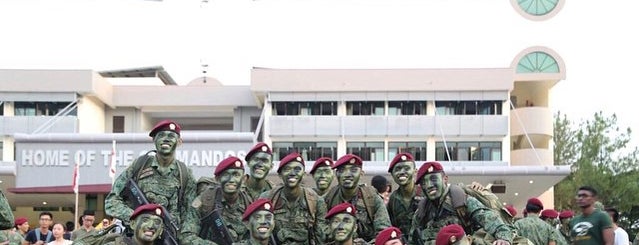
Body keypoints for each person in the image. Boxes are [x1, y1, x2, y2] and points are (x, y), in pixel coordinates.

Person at [105, 120, 212, 244]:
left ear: (179, 142)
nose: (166, 139)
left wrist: (185, 237)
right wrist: (138, 218)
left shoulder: (185, 174)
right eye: (161, 135)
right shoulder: (139, 166)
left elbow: (190, 215)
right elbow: (111, 202)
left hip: (169, 237)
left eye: (171, 136)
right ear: (154, 140)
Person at [409, 161, 514, 245]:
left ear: (445, 179)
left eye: (433, 179)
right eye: (423, 183)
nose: (429, 185)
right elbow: (412, 240)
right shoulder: (421, 212)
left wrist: (503, 238)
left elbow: (489, 218)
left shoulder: (460, 200)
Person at [259, 152, 328, 245]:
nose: (292, 173)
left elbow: (320, 237)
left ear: (303, 174)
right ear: (280, 174)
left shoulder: (315, 201)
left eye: (297, 169)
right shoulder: (267, 198)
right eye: (287, 169)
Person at [324, 154, 391, 243]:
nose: (347, 175)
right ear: (336, 174)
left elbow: (383, 232)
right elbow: (322, 231)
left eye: (353, 170)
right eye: (342, 170)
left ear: (361, 173)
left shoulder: (371, 198)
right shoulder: (329, 199)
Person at [193, 156, 253, 243]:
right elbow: (186, 235)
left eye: (236, 175)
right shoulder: (205, 201)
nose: (231, 180)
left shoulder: (249, 205)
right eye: (226, 175)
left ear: (243, 179)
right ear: (217, 179)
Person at [386, 153, 421, 242]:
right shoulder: (393, 199)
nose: (402, 172)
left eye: (407, 168)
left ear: (415, 171)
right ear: (392, 174)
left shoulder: (425, 194)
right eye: (397, 169)